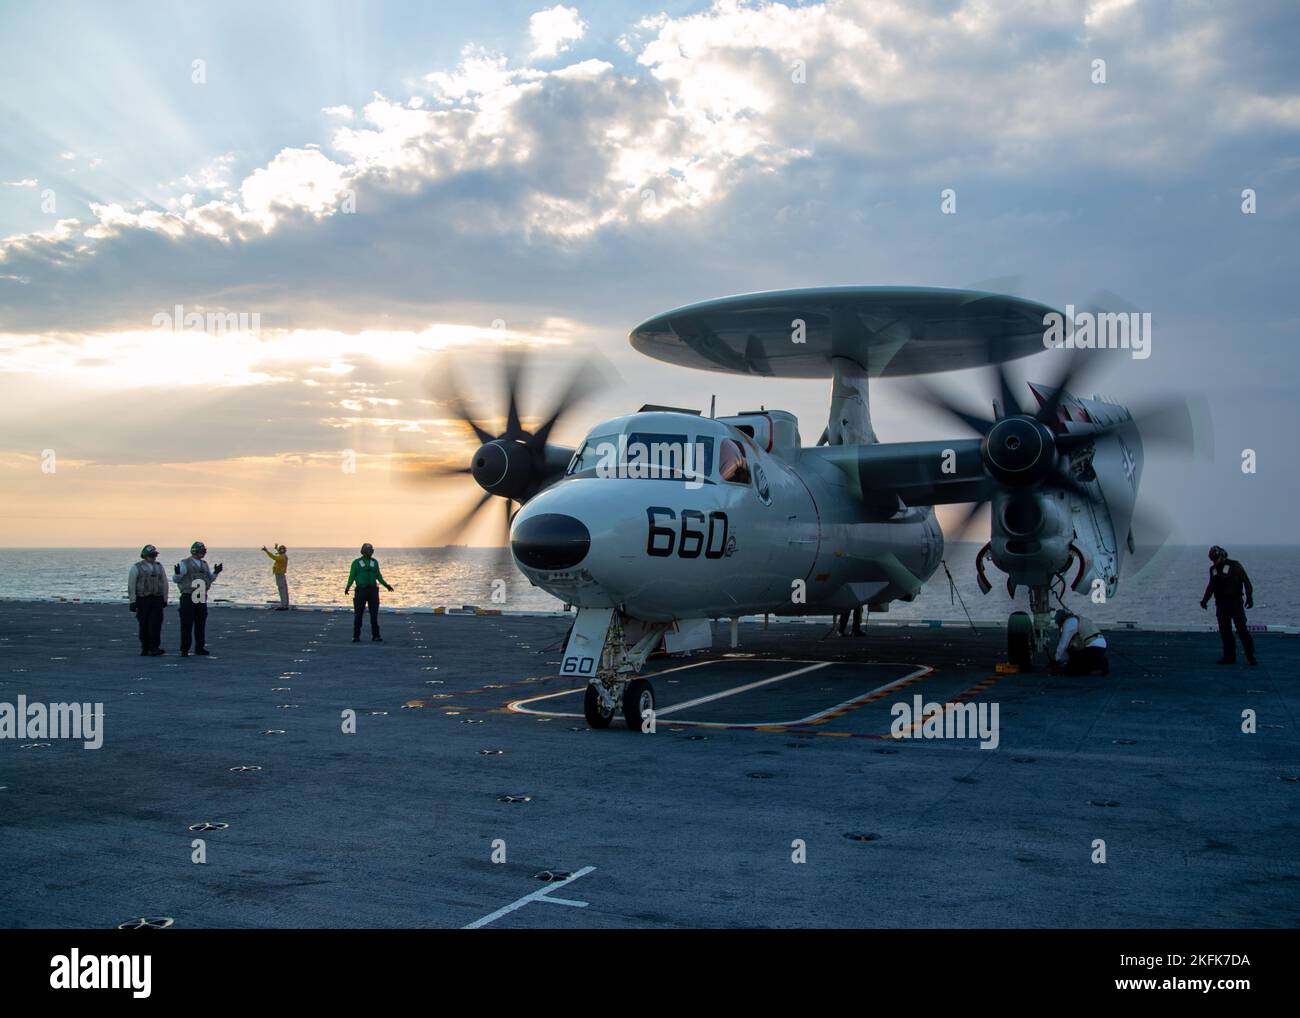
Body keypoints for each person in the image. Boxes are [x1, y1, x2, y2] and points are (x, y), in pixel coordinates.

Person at [1200, 545, 1257, 665]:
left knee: (1241, 628)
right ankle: (1229, 657)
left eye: (1215, 558)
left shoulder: (1235, 566)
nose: (1214, 561)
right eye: (1212, 559)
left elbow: (1246, 581)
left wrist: (1249, 597)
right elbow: (1211, 586)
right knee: (1225, 630)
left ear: (1222, 555)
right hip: (1221, 604)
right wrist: (1205, 600)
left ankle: (1250, 655)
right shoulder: (1213, 570)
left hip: (1235, 602)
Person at [174, 541, 223, 657]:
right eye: (202, 551)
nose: (204, 553)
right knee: (186, 624)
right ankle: (184, 649)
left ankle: (199, 648)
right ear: (195, 551)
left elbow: (209, 579)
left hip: (201, 596)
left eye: (204, 551)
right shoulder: (185, 563)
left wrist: (216, 572)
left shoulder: (204, 564)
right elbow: (177, 579)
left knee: (200, 624)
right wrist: (177, 574)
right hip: (188, 595)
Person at [345, 543, 394, 642]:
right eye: (369, 550)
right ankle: (356, 636)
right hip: (361, 591)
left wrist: (386, 585)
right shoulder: (356, 563)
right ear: (363, 551)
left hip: (373, 591)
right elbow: (352, 576)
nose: (371, 552)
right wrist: (348, 587)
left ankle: (376, 635)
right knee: (358, 614)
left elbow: (379, 576)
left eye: (371, 550)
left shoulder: (374, 562)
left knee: (374, 615)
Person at [128, 544, 168, 656]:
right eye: (151, 555)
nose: (153, 557)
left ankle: (154, 647)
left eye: (154, 555)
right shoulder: (136, 567)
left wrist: (165, 598)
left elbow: (164, 583)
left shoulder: (159, 567)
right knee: (143, 623)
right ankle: (145, 647)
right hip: (143, 599)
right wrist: (132, 601)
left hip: (157, 599)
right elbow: (131, 584)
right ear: (145, 556)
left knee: (156, 624)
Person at [1052, 609, 1109, 675]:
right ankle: (1099, 663)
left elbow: (1063, 644)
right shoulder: (1081, 619)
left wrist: (1057, 660)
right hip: (1101, 645)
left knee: (1072, 669)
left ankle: (1095, 668)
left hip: (1091, 647)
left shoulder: (1068, 622)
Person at [262, 544, 289, 609]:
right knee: (284, 589)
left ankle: (283, 605)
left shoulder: (281, 557)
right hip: (281, 574)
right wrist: (276, 548)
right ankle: (285, 604)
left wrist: (266, 551)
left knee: (281, 589)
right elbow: (279, 554)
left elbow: (274, 557)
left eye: (279, 549)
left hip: (279, 575)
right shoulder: (284, 556)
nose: (278, 551)